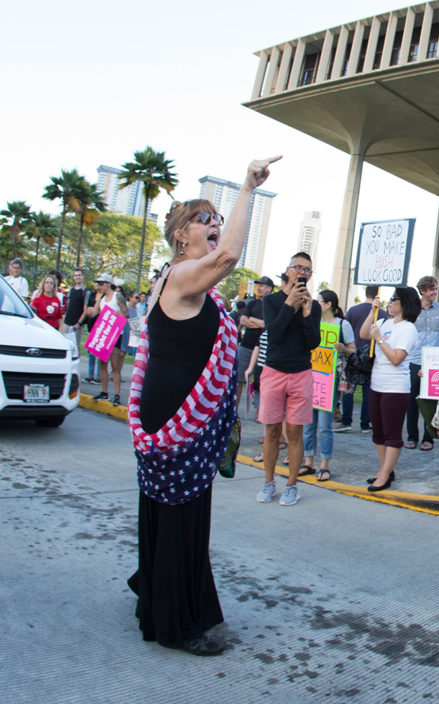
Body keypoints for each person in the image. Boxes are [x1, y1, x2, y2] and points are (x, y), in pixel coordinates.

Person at [126, 155, 280, 656]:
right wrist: (247, 189)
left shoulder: (181, 278)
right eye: (203, 219)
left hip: (168, 406)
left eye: (216, 217)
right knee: (180, 516)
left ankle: (154, 590)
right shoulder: (182, 276)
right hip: (175, 413)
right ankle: (175, 623)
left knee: (168, 511)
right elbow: (230, 255)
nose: (214, 224)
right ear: (180, 236)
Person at [256, 252, 321, 507]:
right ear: (289, 270)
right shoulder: (272, 301)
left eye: (308, 269)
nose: (303, 272)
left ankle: (292, 485)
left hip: (301, 373)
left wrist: (305, 313)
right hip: (273, 371)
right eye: (299, 268)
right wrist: (289, 304)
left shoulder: (313, 306)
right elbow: (275, 334)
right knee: (272, 430)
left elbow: (313, 343)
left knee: (295, 432)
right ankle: (269, 481)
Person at [358, 286, 420, 491]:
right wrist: (372, 311)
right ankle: (385, 469)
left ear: (404, 303)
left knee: (392, 433)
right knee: (378, 431)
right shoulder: (384, 321)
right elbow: (364, 333)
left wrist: (381, 340)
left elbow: (396, 358)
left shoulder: (408, 329)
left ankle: (385, 475)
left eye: (394, 299)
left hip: (396, 387)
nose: (390, 302)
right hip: (377, 383)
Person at [301, 289, 355, 482]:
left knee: (324, 425)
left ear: (329, 304)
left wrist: (344, 349)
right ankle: (308, 461)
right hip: (310, 376)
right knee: (308, 423)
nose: (316, 304)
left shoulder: (342, 324)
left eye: (319, 301)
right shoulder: (313, 322)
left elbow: (353, 350)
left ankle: (324, 464)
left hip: (329, 380)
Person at [406, 275, 439, 451]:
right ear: (423, 291)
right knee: (412, 401)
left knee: (430, 400)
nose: (435, 292)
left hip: (434, 361)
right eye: (432, 289)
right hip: (413, 360)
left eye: (436, 289)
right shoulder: (412, 308)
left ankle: (429, 437)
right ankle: (411, 436)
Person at [339, 285, 387, 432]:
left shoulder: (353, 310)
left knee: (349, 388)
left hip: (353, 353)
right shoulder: (382, 313)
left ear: (366, 293)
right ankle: (365, 424)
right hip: (371, 355)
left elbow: (345, 329)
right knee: (368, 390)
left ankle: (346, 422)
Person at [86, 272, 129, 405]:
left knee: (115, 367)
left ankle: (116, 394)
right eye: (98, 284)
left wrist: (119, 314)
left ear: (108, 284)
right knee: (102, 363)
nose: (99, 286)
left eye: (101, 284)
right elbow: (94, 313)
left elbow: (126, 313)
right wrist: (89, 311)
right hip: (105, 333)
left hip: (116, 334)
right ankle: (104, 392)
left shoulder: (118, 296)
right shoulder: (101, 300)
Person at [237, 275, 274, 413]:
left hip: (264, 348)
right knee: (239, 378)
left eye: (262, 286)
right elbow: (243, 320)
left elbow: (269, 325)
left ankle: (261, 411)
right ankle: (233, 411)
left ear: (269, 289)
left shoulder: (272, 305)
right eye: (258, 285)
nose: (259, 288)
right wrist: (259, 323)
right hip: (247, 345)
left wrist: (253, 320)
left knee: (263, 381)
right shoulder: (252, 303)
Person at [63, 268, 90, 359]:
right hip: (67, 323)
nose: (77, 277)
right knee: (66, 346)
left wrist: (78, 323)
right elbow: (68, 305)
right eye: (75, 275)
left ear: (82, 276)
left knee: (75, 347)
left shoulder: (85, 292)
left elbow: (85, 310)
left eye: (79, 275)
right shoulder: (71, 289)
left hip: (77, 325)